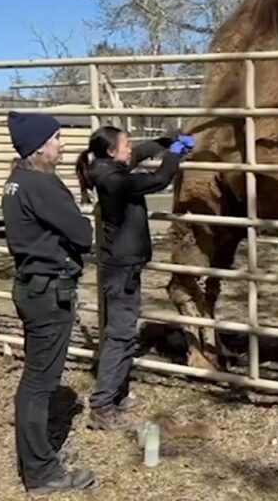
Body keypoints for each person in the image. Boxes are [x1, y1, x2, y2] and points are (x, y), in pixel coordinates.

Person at [74, 125, 194, 430]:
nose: (131, 149)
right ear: (111, 151)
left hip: (124, 265)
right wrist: (174, 154)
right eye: (125, 145)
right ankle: (102, 406)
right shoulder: (114, 180)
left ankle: (116, 394)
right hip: (122, 269)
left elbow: (139, 154)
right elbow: (159, 179)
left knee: (123, 333)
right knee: (121, 336)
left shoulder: (106, 168)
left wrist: (165, 141)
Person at [2, 110, 96, 495]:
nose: (63, 144)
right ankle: (41, 472)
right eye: (57, 138)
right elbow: (83, 235)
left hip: (32, 287)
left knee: (35, 380)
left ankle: (38, 459)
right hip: (48, 292)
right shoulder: (42, 185)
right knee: (40, 383)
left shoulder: (16, 181)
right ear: (40, 146)